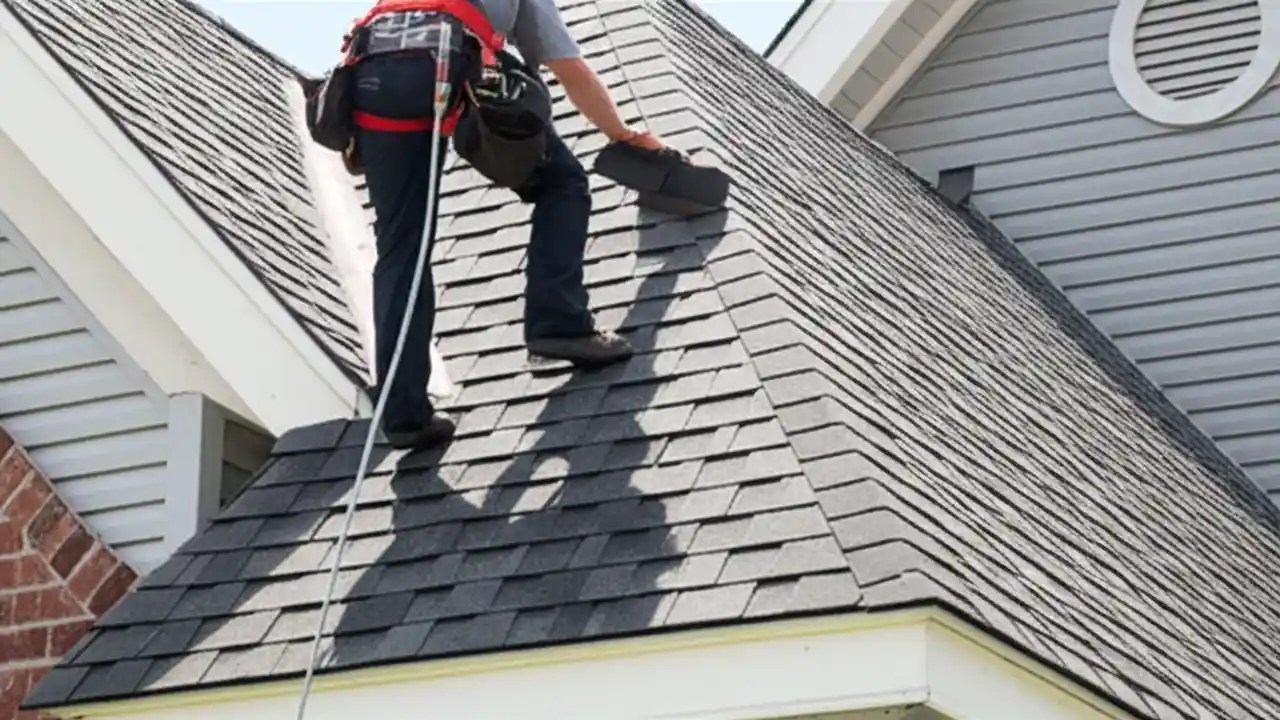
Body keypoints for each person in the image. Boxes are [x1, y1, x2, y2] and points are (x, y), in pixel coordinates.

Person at [349, 0, 670, 450]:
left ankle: (403, 414)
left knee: (403, 247)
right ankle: (558, 323)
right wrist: (624, 135)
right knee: (563, 182)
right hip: (446, 68)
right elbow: (568, 68)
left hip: (370, 76)